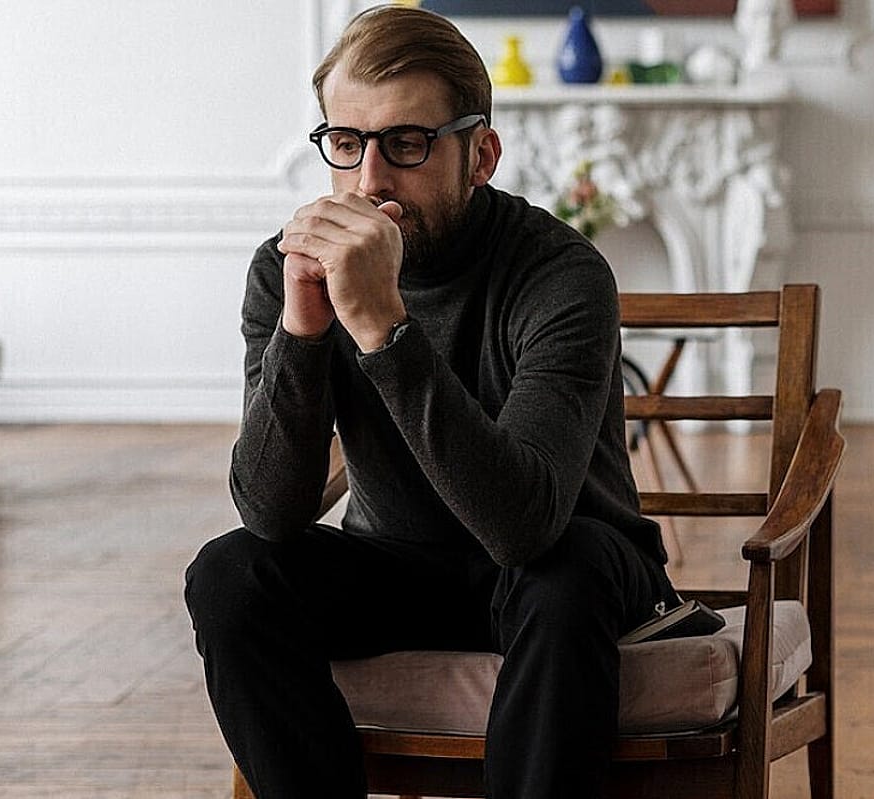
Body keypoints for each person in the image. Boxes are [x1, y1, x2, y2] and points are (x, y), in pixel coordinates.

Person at [184, 6, 676, 798]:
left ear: (481, 155)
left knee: (566, 574)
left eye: (407, 144)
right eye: (346, 143)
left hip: (563, 563)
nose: (370, 179)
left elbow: (523, 526)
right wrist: (303, 332)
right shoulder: (287, 269)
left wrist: (383, 326)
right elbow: (271, 515)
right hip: (400, 566)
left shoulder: (562, 275)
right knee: (230, 572)